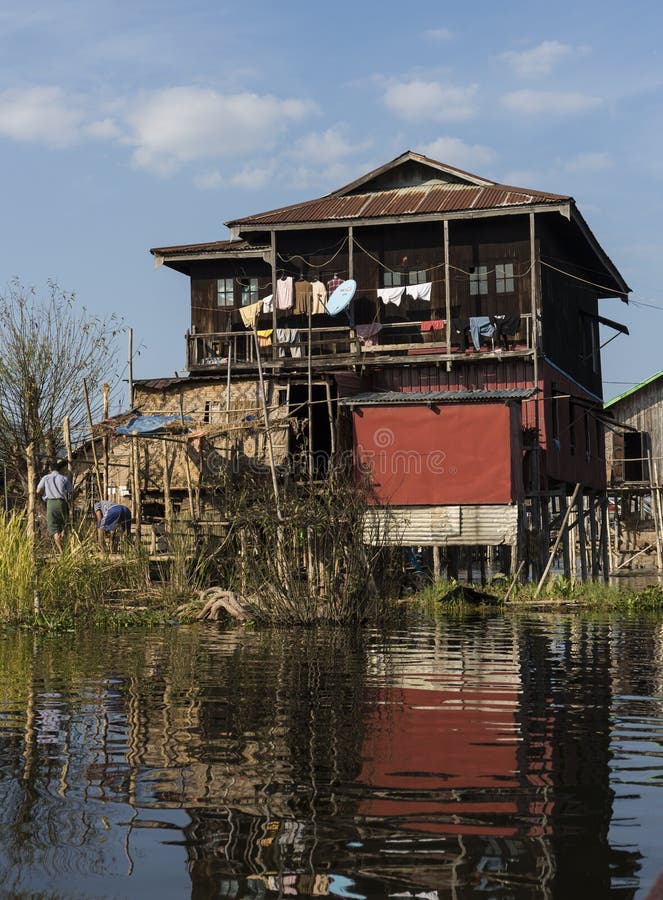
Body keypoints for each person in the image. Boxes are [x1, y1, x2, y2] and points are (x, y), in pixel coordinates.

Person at [36, 459, 73, 554]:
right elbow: (70, 491)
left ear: (50, 469)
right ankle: (64, 536)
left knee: (54, 528)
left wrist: (45, 493)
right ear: (59, 470)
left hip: (51, 503)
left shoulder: (45, 478)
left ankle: (61, 551)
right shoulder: (64, 478)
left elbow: (38, 491)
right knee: (63, 524)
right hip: (62, 502)